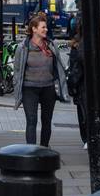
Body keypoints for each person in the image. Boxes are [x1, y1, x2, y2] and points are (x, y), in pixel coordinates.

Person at [13, 13, 67, 147]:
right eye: (43, 27)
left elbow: (58, 66)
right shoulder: (22, 48)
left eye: (46, 27)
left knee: (46, 120)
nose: (46, 30)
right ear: (34, 29)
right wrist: (17, 89)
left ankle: (44, 149)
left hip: (48, 88)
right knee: (31, 120)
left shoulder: (51, 45)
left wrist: (61, 86)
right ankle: (31, 151)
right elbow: (18, 71)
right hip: (29, 89)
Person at [65, 19, 87, 147]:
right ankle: (87, 139)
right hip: (82, 84)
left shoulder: (77, 44)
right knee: (84, 112)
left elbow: (73, 67)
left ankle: (86, 139)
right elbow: (75, 67)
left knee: (83, 113)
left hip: (81, 84)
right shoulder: (77, 44)